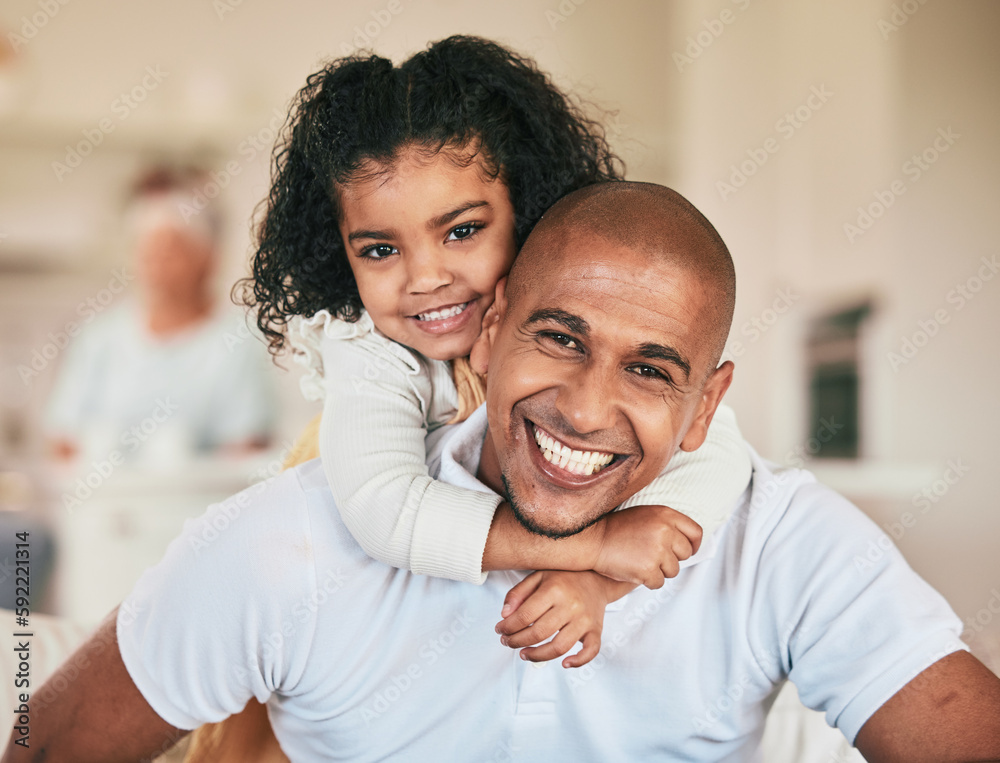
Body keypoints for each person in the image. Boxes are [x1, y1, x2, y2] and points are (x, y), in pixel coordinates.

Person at [8, 183, 1000, 762]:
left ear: (707, 403)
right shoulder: (291, 541)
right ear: (489, 333)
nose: (582, 406)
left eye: (649, 370)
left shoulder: (781, 540)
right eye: (558, 338)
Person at [242, 35, 751, 667]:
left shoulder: (581, 332)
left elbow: (721, 453)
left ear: (527, 211)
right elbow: (389, 517)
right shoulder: (369, 354)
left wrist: (600, 584)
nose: (425, 278)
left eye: (461, 231)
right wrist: (594, 548)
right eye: (379, 249)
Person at [44, 166, 275, 463]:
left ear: (206, 257)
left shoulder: (237, 342)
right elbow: (62, 440)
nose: (155, 265)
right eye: (146, 250)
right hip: (104, 507)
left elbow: (248, 447)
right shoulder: (98, 338)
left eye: (169, 251)